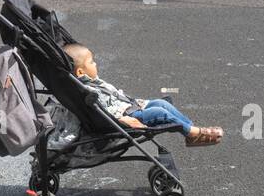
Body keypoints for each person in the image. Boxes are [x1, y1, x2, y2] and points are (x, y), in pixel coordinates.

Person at [63, 43, 222, 147]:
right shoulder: (88, 90)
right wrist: (119, 120)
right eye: (91, 62)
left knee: (162, 103)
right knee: (159, 113)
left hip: (128, 108)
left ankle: (191, 130)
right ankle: (193, 133)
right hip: (121, 120)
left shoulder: (88, 82)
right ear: (80, 72)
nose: (95, 64)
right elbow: (101, 109)